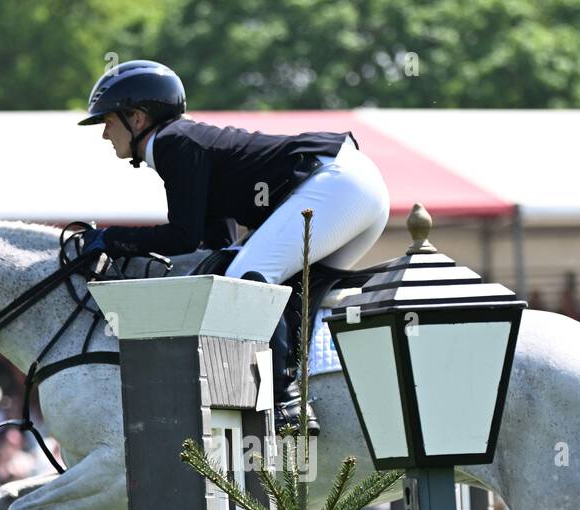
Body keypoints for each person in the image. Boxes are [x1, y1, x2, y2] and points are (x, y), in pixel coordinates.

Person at [76, 60, 390, 435]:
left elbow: (182, 237)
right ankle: (309, 386)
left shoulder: (175, 143)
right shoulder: (186, 143)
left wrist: (109, 239)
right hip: (359, 189)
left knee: (248, 281)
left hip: (340, 186)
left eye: (108, 121)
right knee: (278, 284)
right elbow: (218, 243)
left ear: (137, 119)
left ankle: (283, 400)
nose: (105, 134)